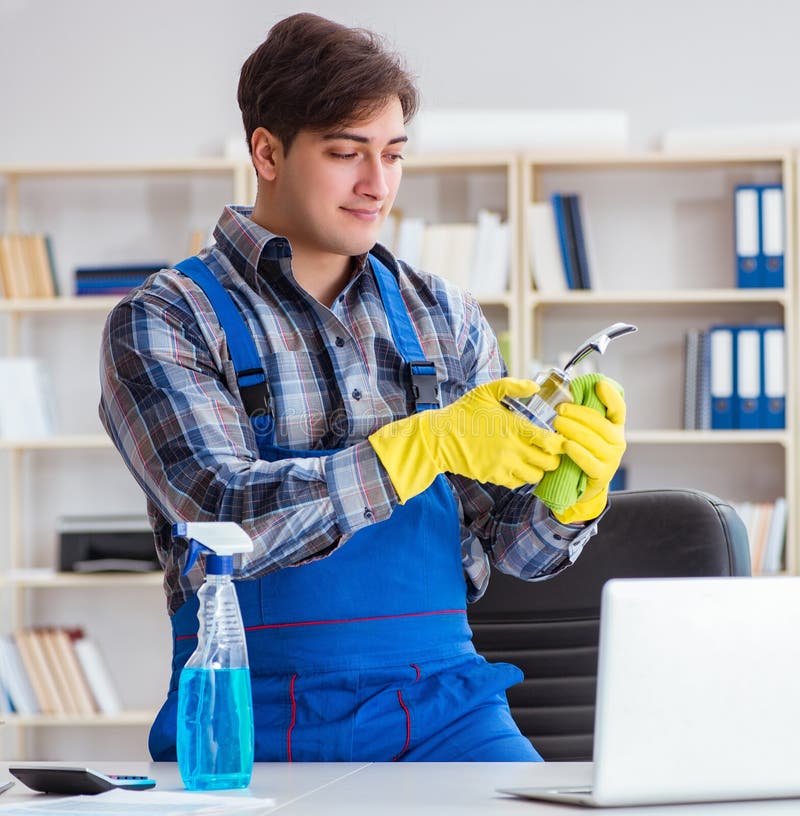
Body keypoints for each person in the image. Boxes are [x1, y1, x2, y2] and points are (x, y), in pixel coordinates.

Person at [99, 12, 626, 762]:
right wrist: (415, 447)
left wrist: (571, 494)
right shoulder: (166, 321)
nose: (377, 184)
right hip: (253, 714)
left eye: (393, 154)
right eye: (347, 153)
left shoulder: (444, 316)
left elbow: (510, 549)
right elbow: (222, 520)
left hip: (448, 709)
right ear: (267, 151)